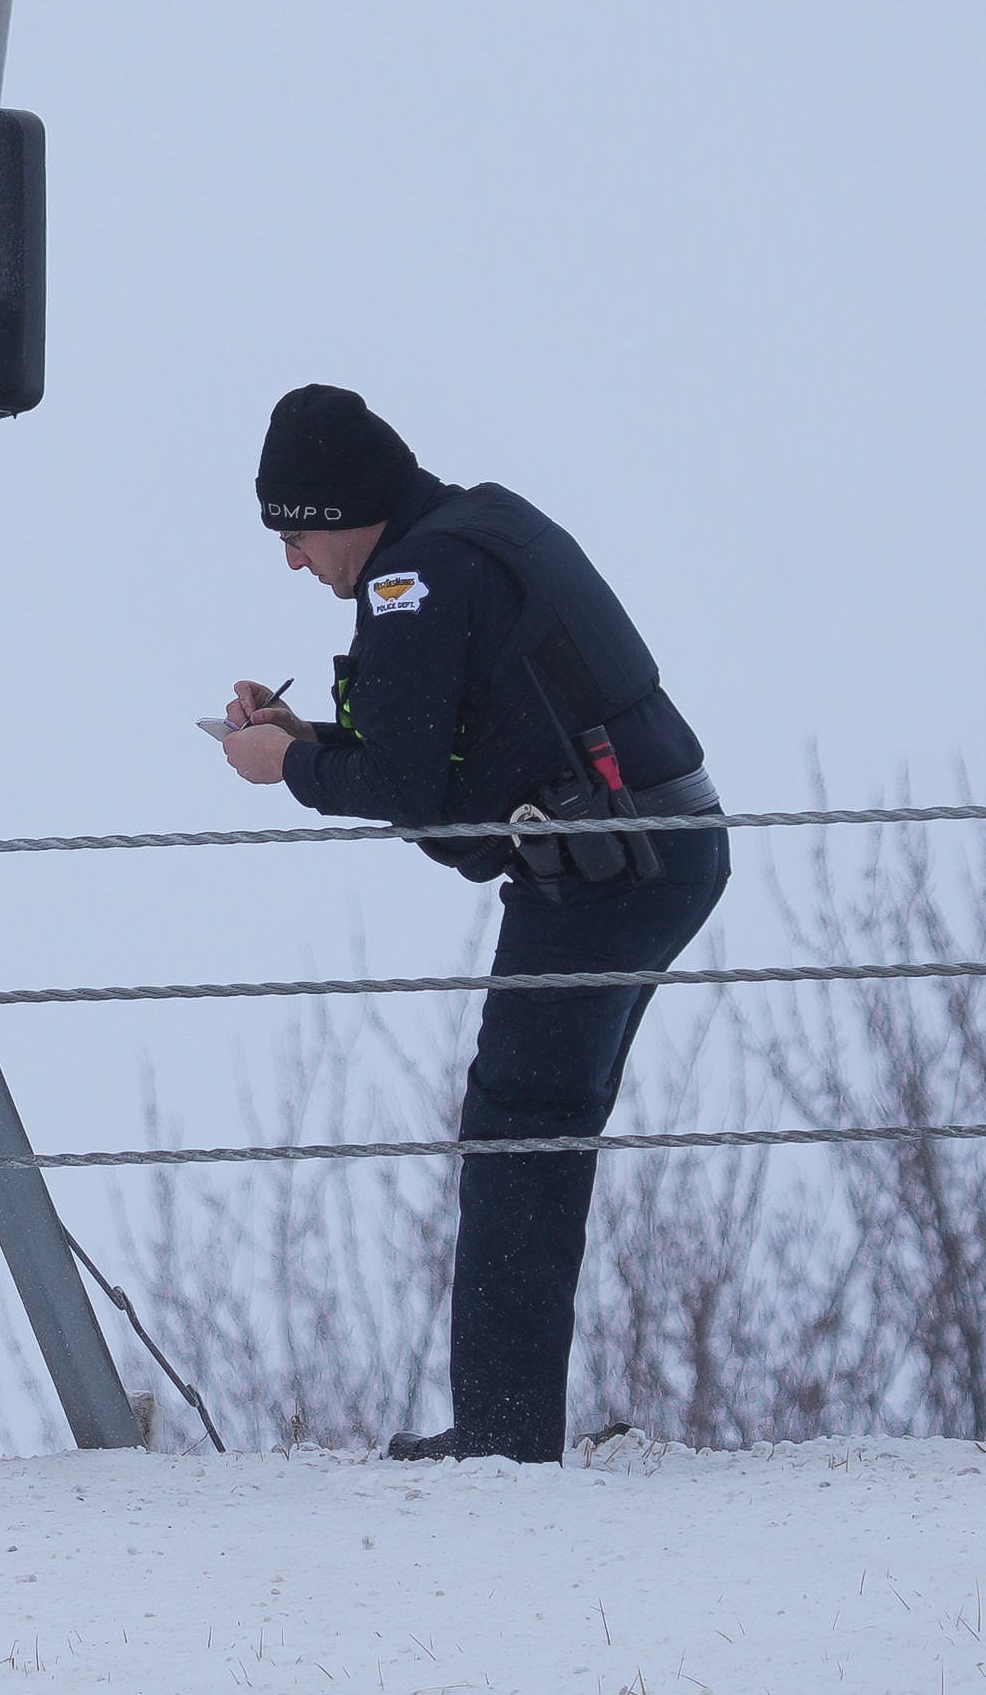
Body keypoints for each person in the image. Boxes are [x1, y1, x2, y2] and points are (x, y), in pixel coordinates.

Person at [213, 383, 727, 1464]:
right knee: (538, 1125)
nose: (295, 565)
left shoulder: (412, 574)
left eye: (295, 536)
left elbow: (411, 781)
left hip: (606, 871)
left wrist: (286, 764)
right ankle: (507, 1421)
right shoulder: (474, 526)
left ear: (339, 509)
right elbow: (444, 728)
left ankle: (501, 1435)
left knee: (517, 1130)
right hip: (652, 850)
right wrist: (311, 731)